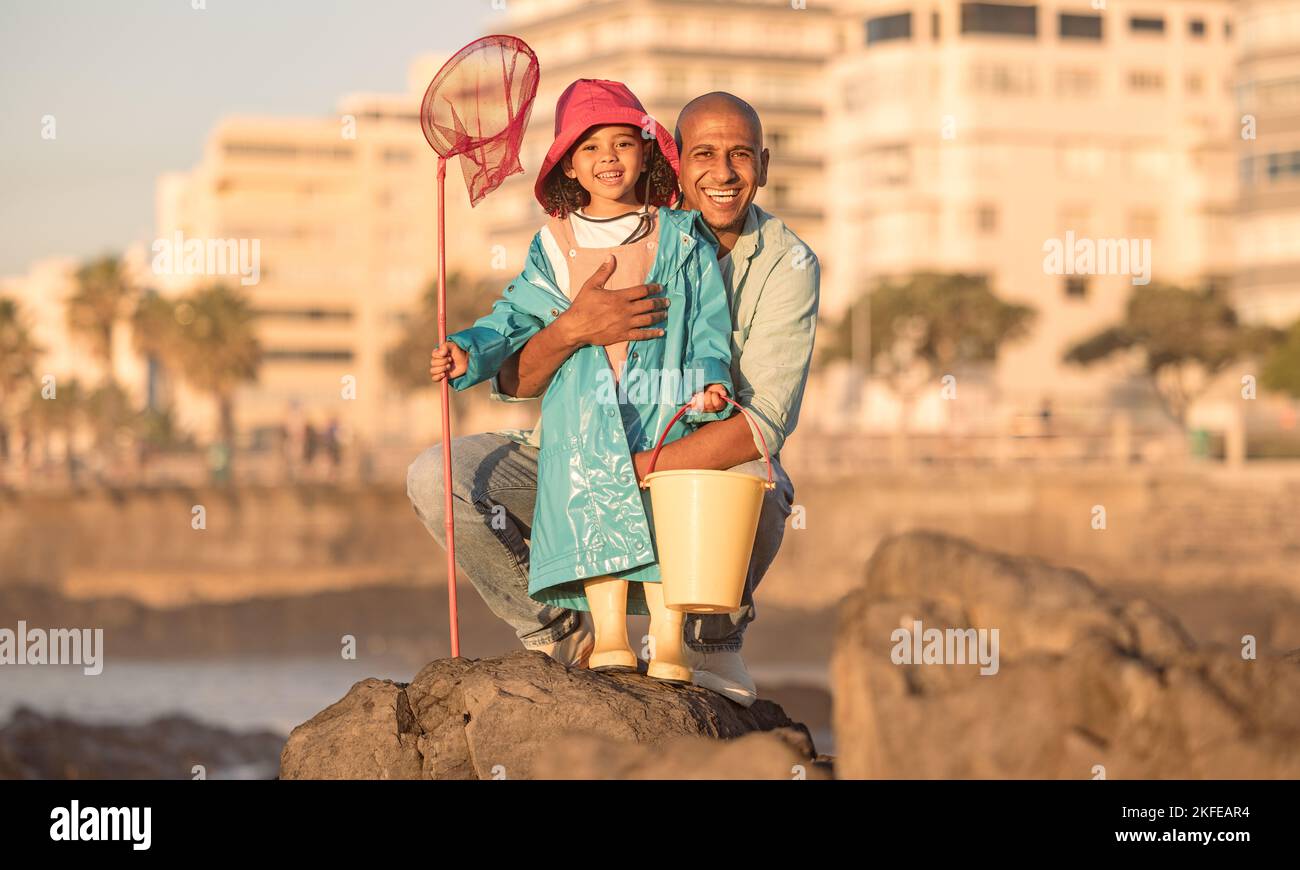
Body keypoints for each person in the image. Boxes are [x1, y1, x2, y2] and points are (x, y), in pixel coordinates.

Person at [408, 91, 819, 707]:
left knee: (758, 482)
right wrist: (567, 330)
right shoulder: (574, 238)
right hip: (574, 444)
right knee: (439, 477)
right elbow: (517, 375)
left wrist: (630, 471)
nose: (724, 172)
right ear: (676, 162)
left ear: (764, 163)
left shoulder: (780, 260)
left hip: (685, 452)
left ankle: (706, 640)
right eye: (704, 154)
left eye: (741, 155)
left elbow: (760, 425)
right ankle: (562, 631)